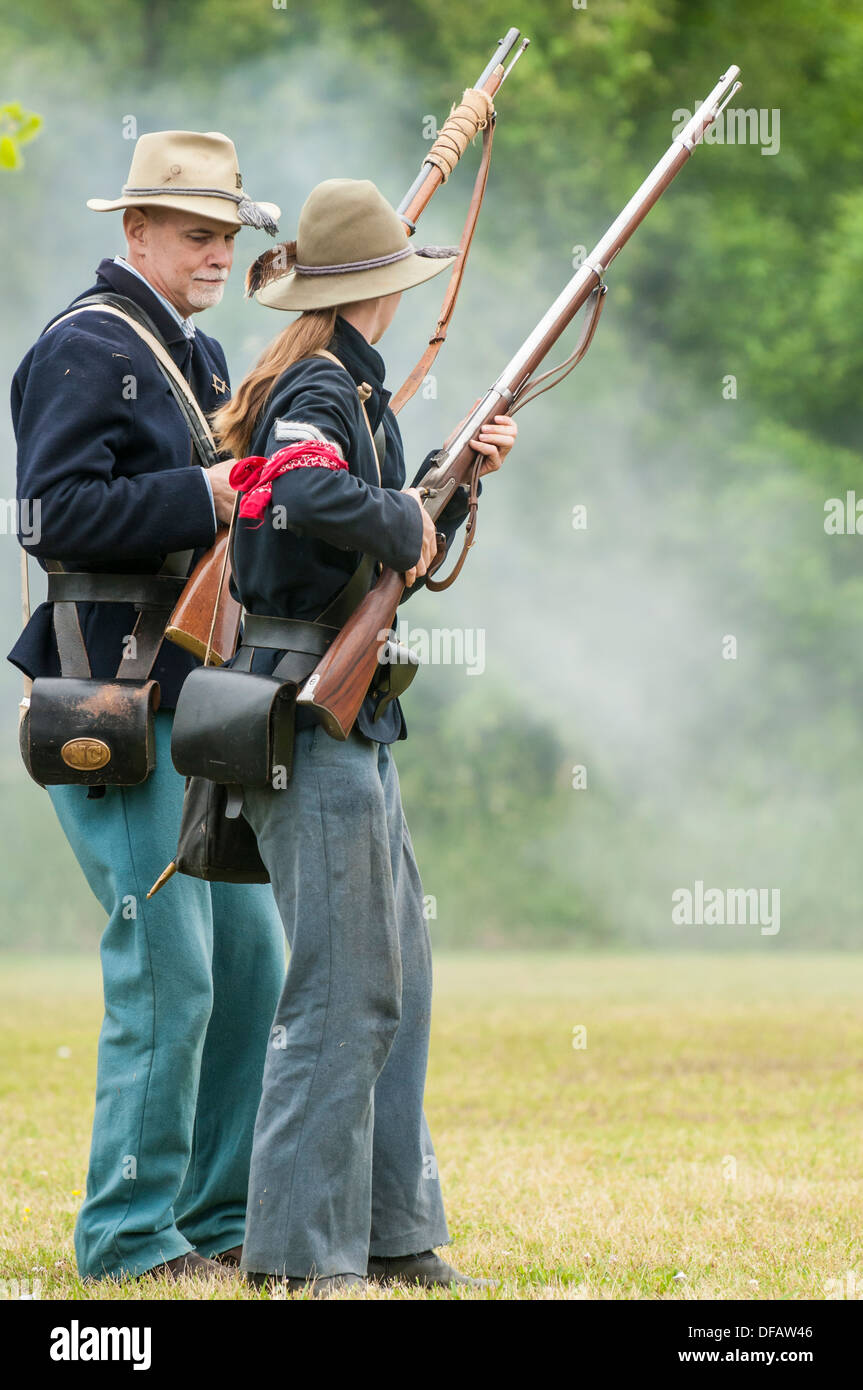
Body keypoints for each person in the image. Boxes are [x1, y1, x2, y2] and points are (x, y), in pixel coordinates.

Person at [214, 177, 517, 1293]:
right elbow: (300, 494)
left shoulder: (350, 389)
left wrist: (450, 483)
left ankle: (391, 1231)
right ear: (375, 291)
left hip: (353, 710)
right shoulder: (316, 387)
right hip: (310, 708)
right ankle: (299, 1255)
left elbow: (364, 539)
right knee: (341, 991)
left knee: (396, 982)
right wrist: (406, 511)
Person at [8, 131, 287, 1282]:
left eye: (227, 233)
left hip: (198, 696)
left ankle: (215, 1222)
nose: (217, 251)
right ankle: (127, 1238)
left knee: (252, 967)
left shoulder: (201, 353)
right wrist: (209, 489)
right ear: (135, 232)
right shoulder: (83, 346)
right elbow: (53, 516)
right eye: (194, 233)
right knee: (166, 974)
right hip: (113, 698)